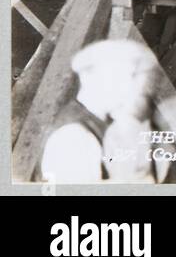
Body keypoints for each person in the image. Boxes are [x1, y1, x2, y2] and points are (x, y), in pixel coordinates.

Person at [41, 38, 168, 184]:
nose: (129, 87)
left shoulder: (99, 123)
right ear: (93, 77)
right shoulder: (73, 135)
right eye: (121, 77)